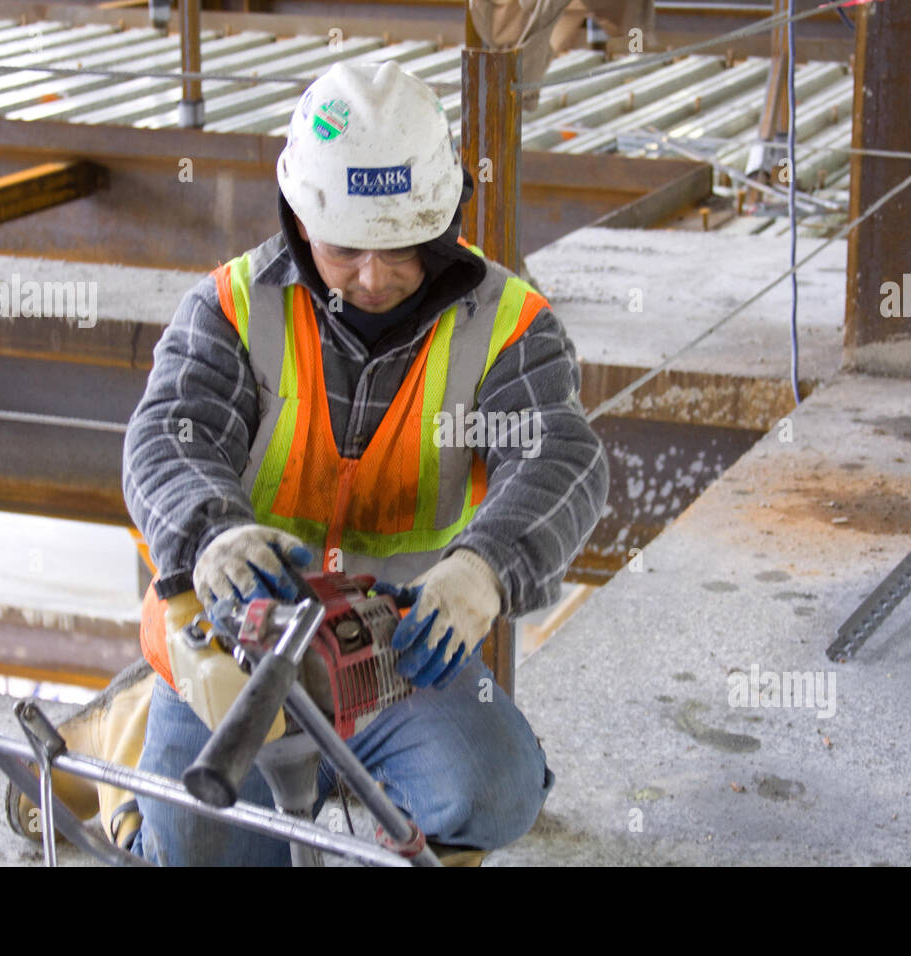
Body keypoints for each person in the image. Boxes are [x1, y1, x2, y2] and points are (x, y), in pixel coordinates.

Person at [109, 59, 608, 866]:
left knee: (495, 789)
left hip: (394, 648)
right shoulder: (234, 308)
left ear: (445, 220)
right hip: (243, 646)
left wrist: (485, 568)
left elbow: (561, 457)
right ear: (301, 220)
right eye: (347, 250)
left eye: (402, 248)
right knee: (208, 857)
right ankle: (131, 754)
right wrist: (211, 534)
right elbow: (169, 433)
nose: (374, 278)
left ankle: (354, 779)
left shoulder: (509, 324)